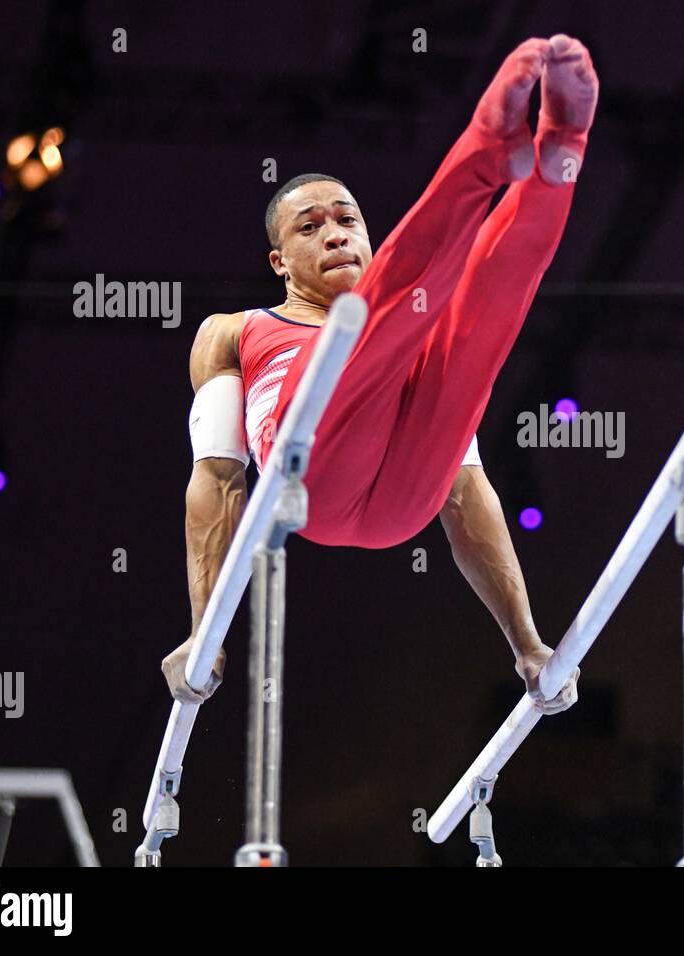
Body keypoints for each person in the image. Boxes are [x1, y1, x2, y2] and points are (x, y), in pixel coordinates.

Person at [162, 35, 598, 716]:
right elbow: (218, 476)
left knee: (482, 306)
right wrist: (203, 629)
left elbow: (465, 485)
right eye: (310, 227)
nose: (336, 234)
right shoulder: (234, 332)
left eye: (347, 219)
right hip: (312, 481)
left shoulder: (416, 318)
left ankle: (554, 162)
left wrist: (528, 643)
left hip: (407, 499)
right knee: (378, 323)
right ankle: (485, 152)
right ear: (279, 261)